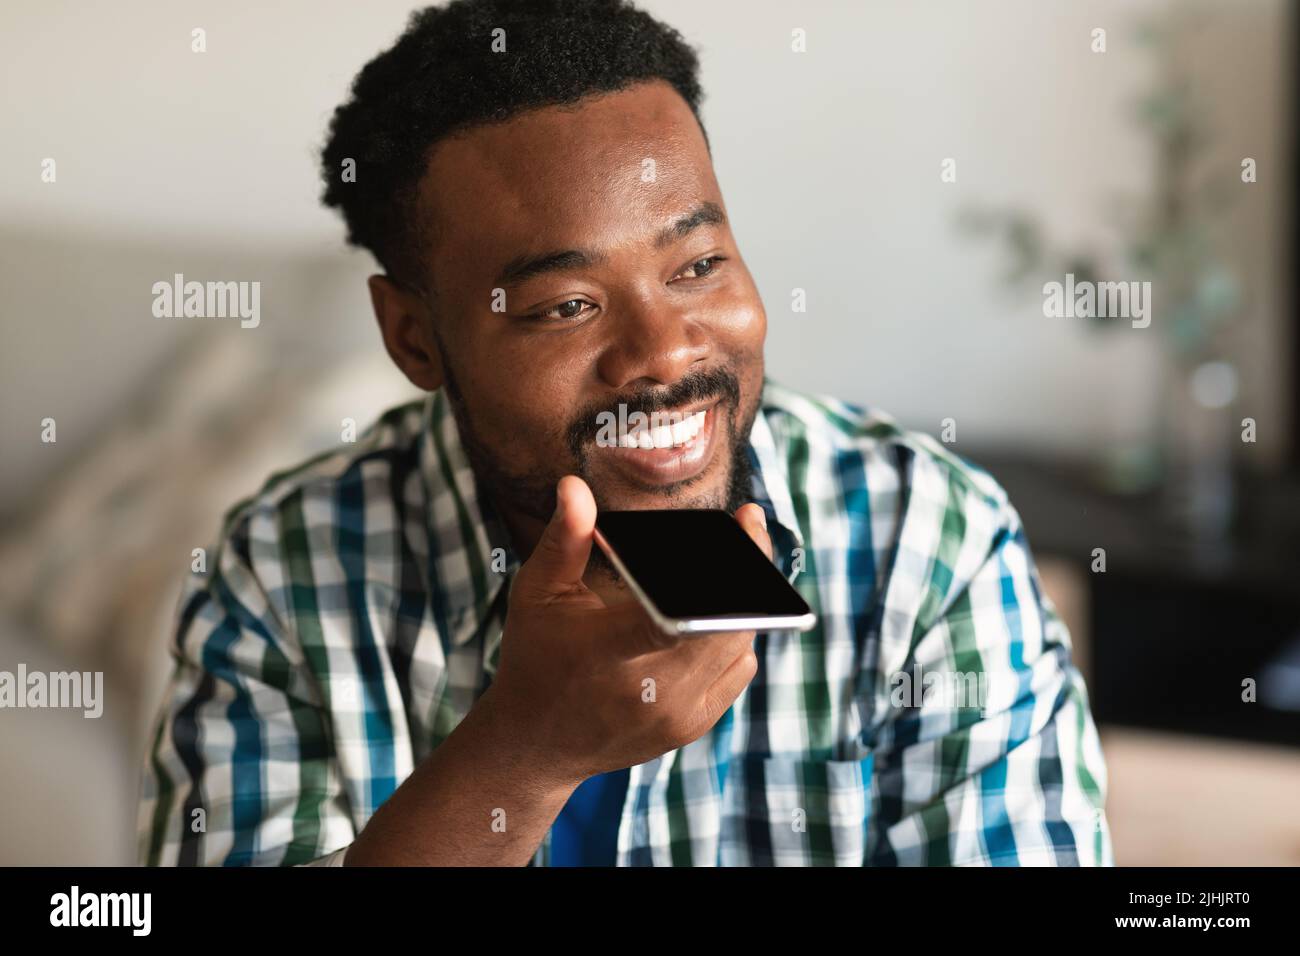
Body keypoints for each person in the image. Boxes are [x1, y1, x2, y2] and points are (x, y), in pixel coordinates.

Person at [139, 0, 1112, 867]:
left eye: (696, 265)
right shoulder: (281, 573)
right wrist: (524, 751)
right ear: (414, 337)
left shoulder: (925, 541)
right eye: (564, 304)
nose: (662, 350)